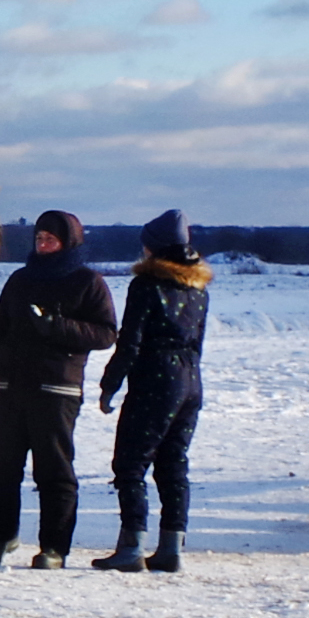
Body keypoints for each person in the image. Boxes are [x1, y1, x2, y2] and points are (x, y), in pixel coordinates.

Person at [0, 209, 118, 568]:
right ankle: (1, 535)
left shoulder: (87, 281)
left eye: (50, 239)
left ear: (68, 242)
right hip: (11, 386)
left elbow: (106, 333)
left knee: (52, 470)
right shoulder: (20, 279)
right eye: (39, 238)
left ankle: (54, 547)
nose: (43, 244)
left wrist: (59, 326)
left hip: (56, 390)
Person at [93, 210, 209, 574]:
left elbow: (130, 342)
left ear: (153, 246)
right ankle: (172, 546)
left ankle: (131, 547)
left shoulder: (146, 285)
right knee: (173, 462)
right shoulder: (198, 287)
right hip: (191, 381)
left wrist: (110, 383)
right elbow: (198, 342)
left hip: (155, 380)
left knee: (130, 462)